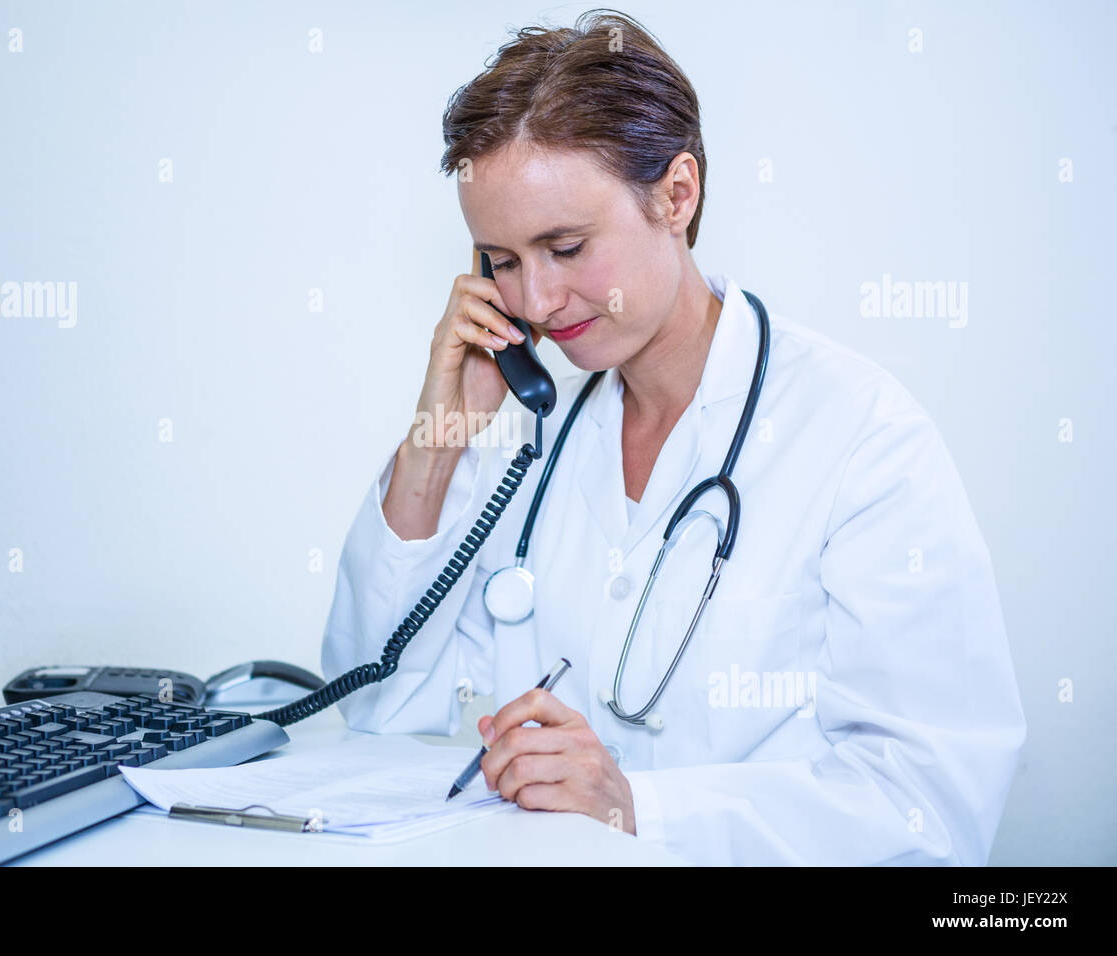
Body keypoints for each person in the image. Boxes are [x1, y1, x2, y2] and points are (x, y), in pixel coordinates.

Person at [319, 9, 1025, 864]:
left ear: (676, 195)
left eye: (566, 247)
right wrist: (438, 439)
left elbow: (931, 808)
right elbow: (377, 713)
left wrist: (638, 807)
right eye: (501, 260)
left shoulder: (862, 439)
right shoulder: (523, 439)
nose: (535, 302)